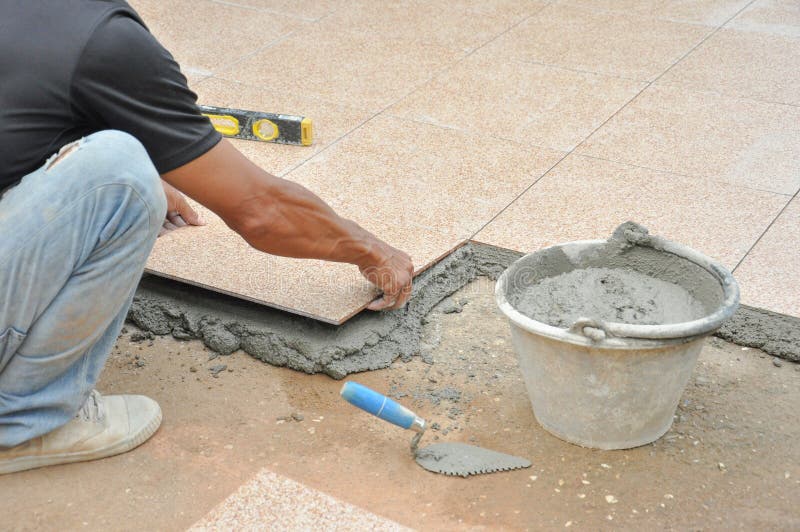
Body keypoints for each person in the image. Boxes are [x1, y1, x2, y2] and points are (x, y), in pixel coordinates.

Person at [0, 0, 414, 474]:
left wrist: (157, 166)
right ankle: (23, 423)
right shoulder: (100, 38)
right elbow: (261, 211)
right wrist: (369, 249)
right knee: (120, 170)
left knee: (127, 171)